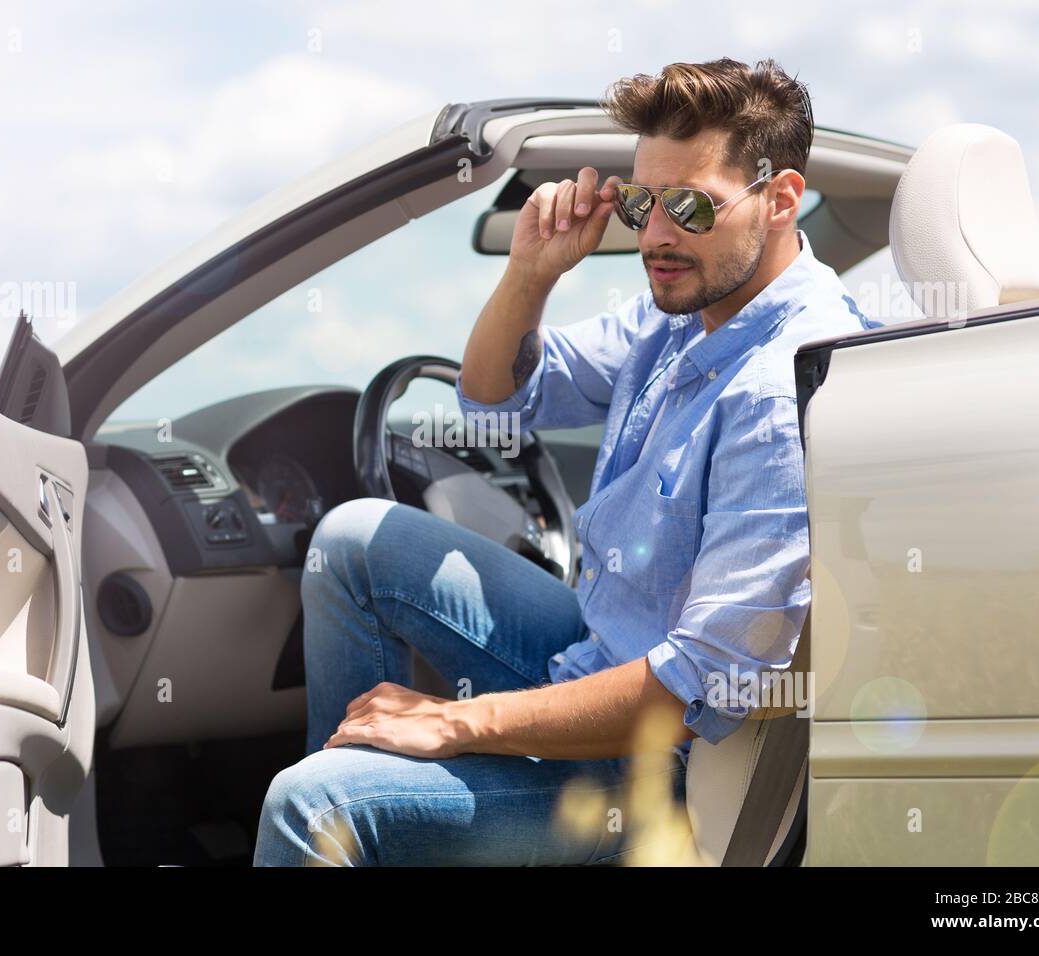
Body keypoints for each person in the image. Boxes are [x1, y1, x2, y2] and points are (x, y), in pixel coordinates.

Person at [254, 57, 876, 866]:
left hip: (658, 766)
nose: (654, 235)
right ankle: (370, 786)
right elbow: (495, 400)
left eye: (689, 206)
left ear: (782, 197)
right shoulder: (695, 313)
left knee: (312, 805)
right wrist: (530, 274)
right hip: (598, 651)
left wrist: (455, 720)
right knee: (353, 540)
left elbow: (699, 683)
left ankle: (355, 813)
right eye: (642, 202)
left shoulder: (772, 391)